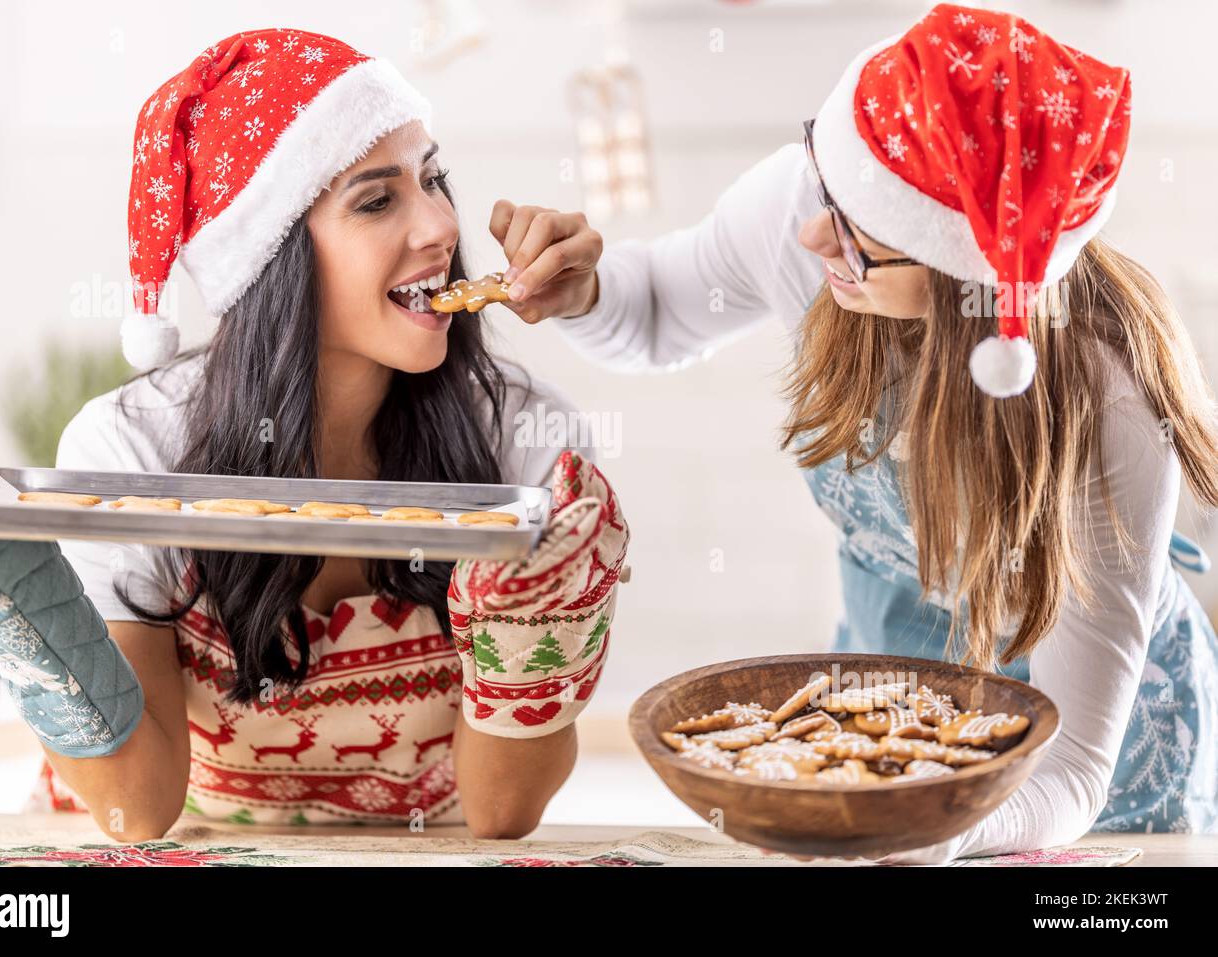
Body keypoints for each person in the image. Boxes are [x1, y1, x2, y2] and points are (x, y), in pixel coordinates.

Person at [493, 3, 1218, 861]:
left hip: (1094, 784)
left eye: (859, 241)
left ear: (962, 283)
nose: (810, 234)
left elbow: (1070, 771)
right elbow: (654, 311)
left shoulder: (1111, 405)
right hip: (893, 688)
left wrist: (930, 824)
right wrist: (586, 288)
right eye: (826, 194)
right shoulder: (813, 206)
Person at [0, 27, 629, 841]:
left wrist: (538, 620)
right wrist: (21, 615)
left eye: (434, 179)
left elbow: (504, 812)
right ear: (270, 258)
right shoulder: (131, 451)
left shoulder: (525, 442)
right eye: (376, 199)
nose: (439, 225)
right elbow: (139, 809)